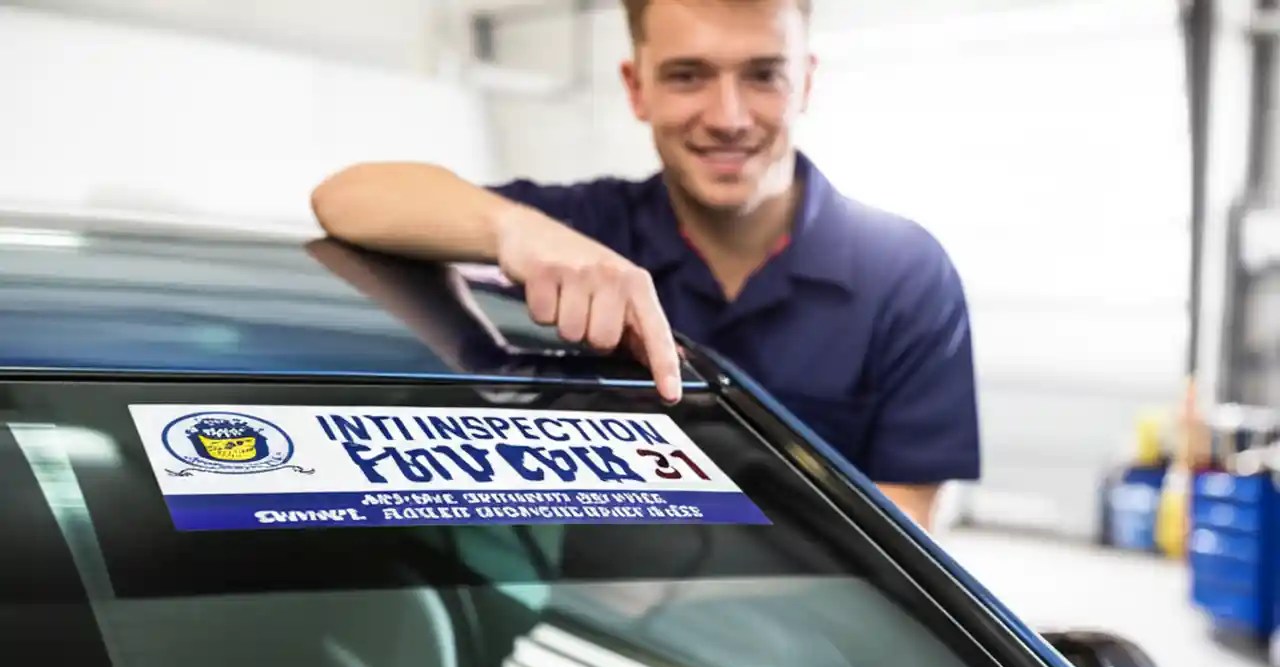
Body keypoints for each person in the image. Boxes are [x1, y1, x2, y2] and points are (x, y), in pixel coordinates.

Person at [310, 0, 980, 529]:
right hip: (593, 647)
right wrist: (515, 231)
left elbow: (902, 528)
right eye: (688, 75)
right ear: (637, 88)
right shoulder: (586, 229)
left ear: (805, 81)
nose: (728, 116)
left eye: (763, 74)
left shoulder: (906, 274)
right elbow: (346, 198)